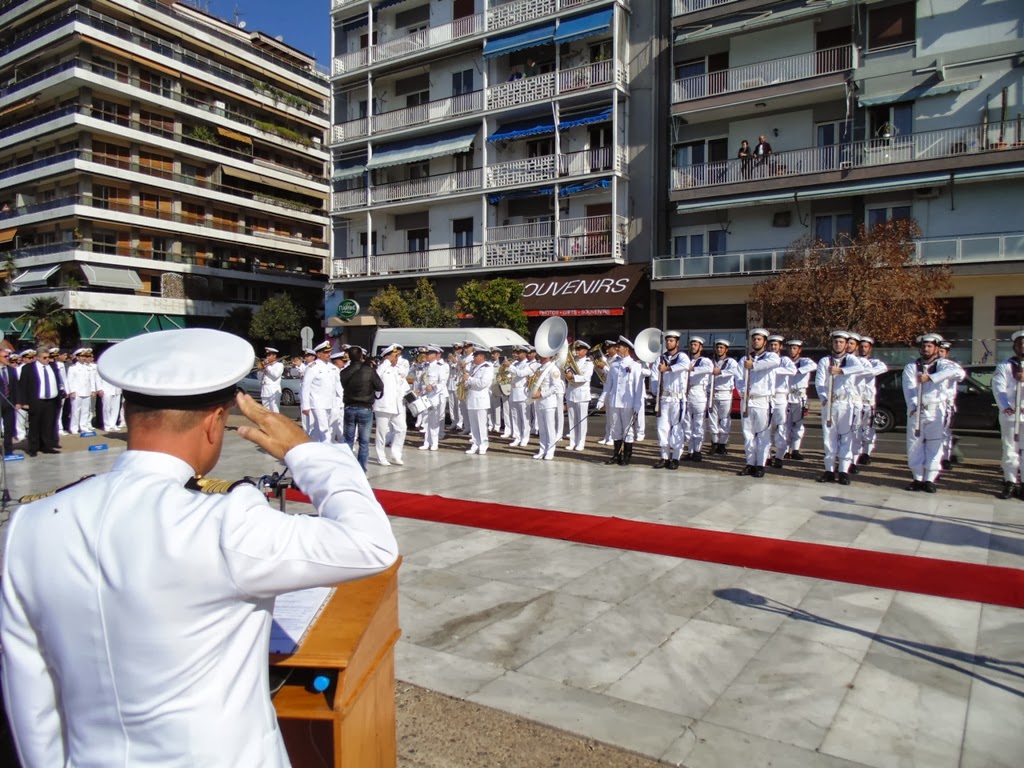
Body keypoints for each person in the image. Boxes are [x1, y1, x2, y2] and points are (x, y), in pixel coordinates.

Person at [0, 328, 398, 767]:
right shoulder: (226, 523)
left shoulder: (30, 526)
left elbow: (30, 699)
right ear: (213, 423)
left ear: (130, 412)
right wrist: (306, 453)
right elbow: (371, 545)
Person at [903, 333, 960, 493]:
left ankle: (930, 479)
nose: (926, 349)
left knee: (935, 446)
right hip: (917, 411)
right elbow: (909, 389)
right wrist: (914, 405)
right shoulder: (912, 367)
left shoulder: (944, 365)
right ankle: (917, 478)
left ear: (936, 348)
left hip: (936, 411)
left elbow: (959, 373)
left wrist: (931, 378)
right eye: (924, 346)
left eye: (930, 346)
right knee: (914, 446)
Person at [815, 331, 866, 485]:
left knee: (846, 437)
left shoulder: (851, 359)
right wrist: (823, 398)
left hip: (845, 404)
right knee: (829, 438)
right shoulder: (825, 361)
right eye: (836, 342)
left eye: (841, 342)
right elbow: (819, 381)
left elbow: (860, 368)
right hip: (830, 403)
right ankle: (829, 470)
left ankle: (843, 470)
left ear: (846, 344)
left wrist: (841, 371)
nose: (838, 344)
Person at [736, 328, 780, 477]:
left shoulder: (771, 356)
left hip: (762, 401)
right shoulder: (744, 359)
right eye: (754, 339)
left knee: (762, 434)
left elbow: (773, 363)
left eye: (759, 339)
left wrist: (753, 365)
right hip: (747, 401)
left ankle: (760, 465)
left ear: (765, 342)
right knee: (748, 434)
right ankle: (750, 463)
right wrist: (743, 392)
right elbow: (739, 378)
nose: (756, 341)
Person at [598, 337, 645, 466]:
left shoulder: (635, 366)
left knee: (627, 430)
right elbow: (609, 385)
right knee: (615, 429)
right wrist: (602, 398)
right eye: (617, 347)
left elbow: (638, 388)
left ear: (627, 348)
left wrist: (637, 404)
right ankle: (616, 455)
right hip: (614, 401)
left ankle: (627, 456)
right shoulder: (614, 365)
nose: (617, 349)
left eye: (620, 347)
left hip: (627, 403)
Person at [339, 346, 383, 472]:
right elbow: (379, 386)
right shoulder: (368, 370)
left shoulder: (344, 372)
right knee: (364, 442)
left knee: (348, 441)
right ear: (361, 356)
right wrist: (372, 369)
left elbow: (345, 385)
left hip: (349, 407)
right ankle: (361, 470)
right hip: (365, 408)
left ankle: (347, 469)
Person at [14, 346, 65, 456]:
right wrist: (23, 402)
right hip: (36, 401)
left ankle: (47, 446)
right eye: (44, 358)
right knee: (35, 425)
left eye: (48, 357)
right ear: (37, 357)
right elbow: (23, 386)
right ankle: (33, 448)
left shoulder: (53, 366)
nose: (47, 360)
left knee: (48, 425)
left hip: (51, 401)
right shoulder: (28, 368)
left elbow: (58, 382)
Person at [992, 330, 1024, 499]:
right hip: (1011, 414)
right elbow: (998, 387)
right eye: (1020, 343)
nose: (1023, 346)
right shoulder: (1005, 365)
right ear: (1015, 347)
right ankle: (1010, 482)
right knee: (1010, 450)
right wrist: (1005, 406)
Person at [651, 331, 689, 469]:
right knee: (662, 428)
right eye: (667, 341)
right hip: (664, 397)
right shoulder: (660, 358)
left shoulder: (682, 357)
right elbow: (654, 375)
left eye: (672, 341)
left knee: (677, 428)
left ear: (677, 343)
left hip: (677, 398)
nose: (669, 343)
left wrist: (667, 368)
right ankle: (664, 457)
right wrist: (656, 391)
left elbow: (684, 366)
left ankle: (676, 458)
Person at [775, 340, 817, 462]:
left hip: (799, 396)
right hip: (786, 396)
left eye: (795, 348)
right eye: (790, 348)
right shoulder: (785, 362)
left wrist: (798, 370)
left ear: (799, 350)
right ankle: (785, 450)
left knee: (798, 424)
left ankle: (795, 449)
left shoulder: (804, 361)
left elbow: (814, 366)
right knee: (785, 424)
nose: (792, 350)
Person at [854, 336, 888, 466]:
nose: (863, 349)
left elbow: (882, 368)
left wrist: (863, 371)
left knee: (868, 428)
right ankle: (855, 453)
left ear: (870, 348)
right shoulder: (854, 361)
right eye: (861, 346)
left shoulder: (875, 362)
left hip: (868, 400)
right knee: (855, 428)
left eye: (865, 347)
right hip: (856, 399)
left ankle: (866, 453)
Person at [373, 344, 408, 465]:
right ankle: (381, 456)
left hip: (397, 406)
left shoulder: (397, 370)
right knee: (382, 432)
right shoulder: (381, 369)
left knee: (402, 429)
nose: (396, 359)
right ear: (387, 358)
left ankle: (395, 454)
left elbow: (403, 386)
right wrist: (386, 362)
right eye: (394, 356)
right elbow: (376, 376)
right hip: (384, 405)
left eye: (397, 356)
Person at [683, 336, 714, 462]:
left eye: (695, 345)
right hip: (686, 392)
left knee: (698, 424)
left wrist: (693, 370)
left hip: (698, 393)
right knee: (687, 424)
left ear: (701, 347)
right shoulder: (686, 360)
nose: (693, 347)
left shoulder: (704, 361)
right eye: (691, 344)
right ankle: (690, 450)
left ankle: (697, 450)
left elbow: (710, 369)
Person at [300, 341, 337, 444]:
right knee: (324, 429)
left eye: (329, 352)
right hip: (317, 403)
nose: (328, 354)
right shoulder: (312, 367)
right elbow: (305, 387)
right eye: (325, 352)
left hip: (329, 403)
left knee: (317, 430)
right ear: (318, 354)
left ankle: (309, 447)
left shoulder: (330, 367)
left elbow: (332, 387)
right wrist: (305, 406)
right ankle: (327, 452)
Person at [707, 340, 740, 454]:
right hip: (713, 393)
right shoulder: (711, 361)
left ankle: (722, 444)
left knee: (725, 419)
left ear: (726, 349)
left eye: (721, 347)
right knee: (712, 420)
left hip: (725, 393)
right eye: (718, 347)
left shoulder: (731, 362)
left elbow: (735, 371)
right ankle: (715, 443)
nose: (719, 350)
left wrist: (720, 372)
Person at [530, 351, 563, 460]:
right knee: (542, 428)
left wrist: (541, 394)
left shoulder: (553, 369)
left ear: (550, 356)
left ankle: (550, 450)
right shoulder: (539, 368)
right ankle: (542, 449)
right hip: (539, 402)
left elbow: (555, 387)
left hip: (548, 401)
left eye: (544, 354)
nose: (541, 356)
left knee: (550, 428)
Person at [463, 346, 495, 455]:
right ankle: (475, 444)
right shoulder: (473, 368)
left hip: (481, 399)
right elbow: (470, 382)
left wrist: (469, 379)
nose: (473, 358)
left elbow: (483, 383)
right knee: (474, 425)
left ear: (481, 356)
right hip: (471, 398)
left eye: (475, 355)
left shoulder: (488, 367)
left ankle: (484, 444)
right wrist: (466, 382)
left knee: (481, 424)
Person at [564, 341, 594, 451]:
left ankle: (581, 442)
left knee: (581, 420)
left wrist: (573, 377)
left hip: (582, 394)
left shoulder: (588, 363)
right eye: (576, 349)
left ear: (585, 351)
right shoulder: (572, 362)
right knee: (572, 419)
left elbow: (586, 378)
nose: (577, 352)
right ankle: (572, 442)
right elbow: (566, 372)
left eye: (579, 349)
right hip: (571, 393)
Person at [416, 345, 446, 451]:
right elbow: (422, 380)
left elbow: (442, 382)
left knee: (434, 421)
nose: (426, 356)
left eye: (429, 354)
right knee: (426, 420)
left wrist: (433, 387)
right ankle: (426, 442)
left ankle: (434, 442)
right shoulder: (425, 366)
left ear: (434, 355)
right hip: (425, 397)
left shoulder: (439, 367)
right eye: (426, 354)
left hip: (434, 397)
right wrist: (419, 389)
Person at [0, 347, 17, 457]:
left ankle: (8, 449)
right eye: (5, 356)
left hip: (9, 403)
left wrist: (18, 402)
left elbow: (16, 387)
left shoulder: (11, 370)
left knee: (9, 427)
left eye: (8, 356)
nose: (8, 358)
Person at [259, 347, 285, 413]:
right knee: (265, 412)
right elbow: (259, 378)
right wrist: (261, 370)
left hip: (274, 390)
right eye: (267, 355)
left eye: (269, 355)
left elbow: (276, 375)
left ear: (274, 356)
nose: (267, 357)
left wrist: (267, 367)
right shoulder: (266, 366)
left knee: (274, 411)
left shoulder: (279, 365)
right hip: (265, 389)